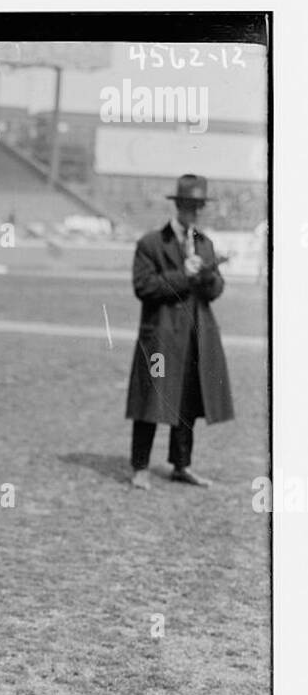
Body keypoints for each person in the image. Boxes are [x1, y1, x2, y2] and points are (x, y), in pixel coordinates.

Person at [125, 174, 233, 490]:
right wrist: (184, 274)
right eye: (189, 206)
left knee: (187, 402)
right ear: (178, 206)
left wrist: (208, 273)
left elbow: (215, 291)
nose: (195, 213)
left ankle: (181, 465)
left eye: (199, 207)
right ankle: (140, 466)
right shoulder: (151, 243)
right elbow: (144, 287)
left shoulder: (205, 243)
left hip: (196, 336)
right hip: (160, 335)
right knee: (150, 400)